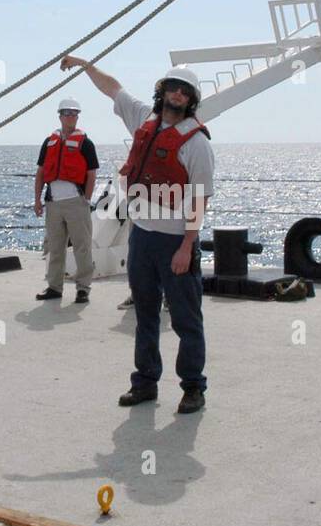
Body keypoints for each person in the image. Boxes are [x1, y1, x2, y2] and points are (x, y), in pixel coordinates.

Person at [61, 56, 214, 414]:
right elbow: (113, 88)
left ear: (191, 99)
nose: (176, 94)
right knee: (145, 314)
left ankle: (193, 387)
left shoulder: (196, 143)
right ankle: (145, 383)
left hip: (175, 241)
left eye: (184, 91)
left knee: (185, 319)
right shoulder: (145, 118)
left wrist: (187, 246)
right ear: (162, 92)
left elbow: (199, 198)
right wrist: (84, 64)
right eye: (171, 88)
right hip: (142, 237)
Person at [33, 98, 99, 303]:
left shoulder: (86, 144)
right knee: (55, 247)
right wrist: (37, 200)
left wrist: (86, 200)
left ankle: (83, 288)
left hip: (76, 202)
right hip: (53, 203)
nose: (71, 117)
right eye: (67, 113)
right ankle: (54, 287)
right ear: (60, 116)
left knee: (82, 247)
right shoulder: (49, 142)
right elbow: (41, 173)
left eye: (74, 113)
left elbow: (91, 174)